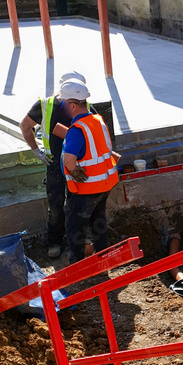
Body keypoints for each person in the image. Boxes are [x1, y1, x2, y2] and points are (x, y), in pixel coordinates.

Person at [19, 70, 91, 260]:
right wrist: (37, 151)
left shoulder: (86, 106)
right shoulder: (45, 105)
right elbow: (25, 126)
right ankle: (55, 242)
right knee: (57, 204)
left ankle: (74, 241)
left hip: (76, 163)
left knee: (75, 203)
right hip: (56, 163)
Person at [59, 78, 120, 264]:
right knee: (98, 221)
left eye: (64, 104)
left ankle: (77, 265)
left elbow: (69, 159)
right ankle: (104, 257)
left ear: (73, 105)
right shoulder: (98, 120)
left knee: (75, 227)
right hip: (105, 184)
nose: (62, 107)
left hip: (86, 188)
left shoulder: (77, 130)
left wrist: (75, 171)